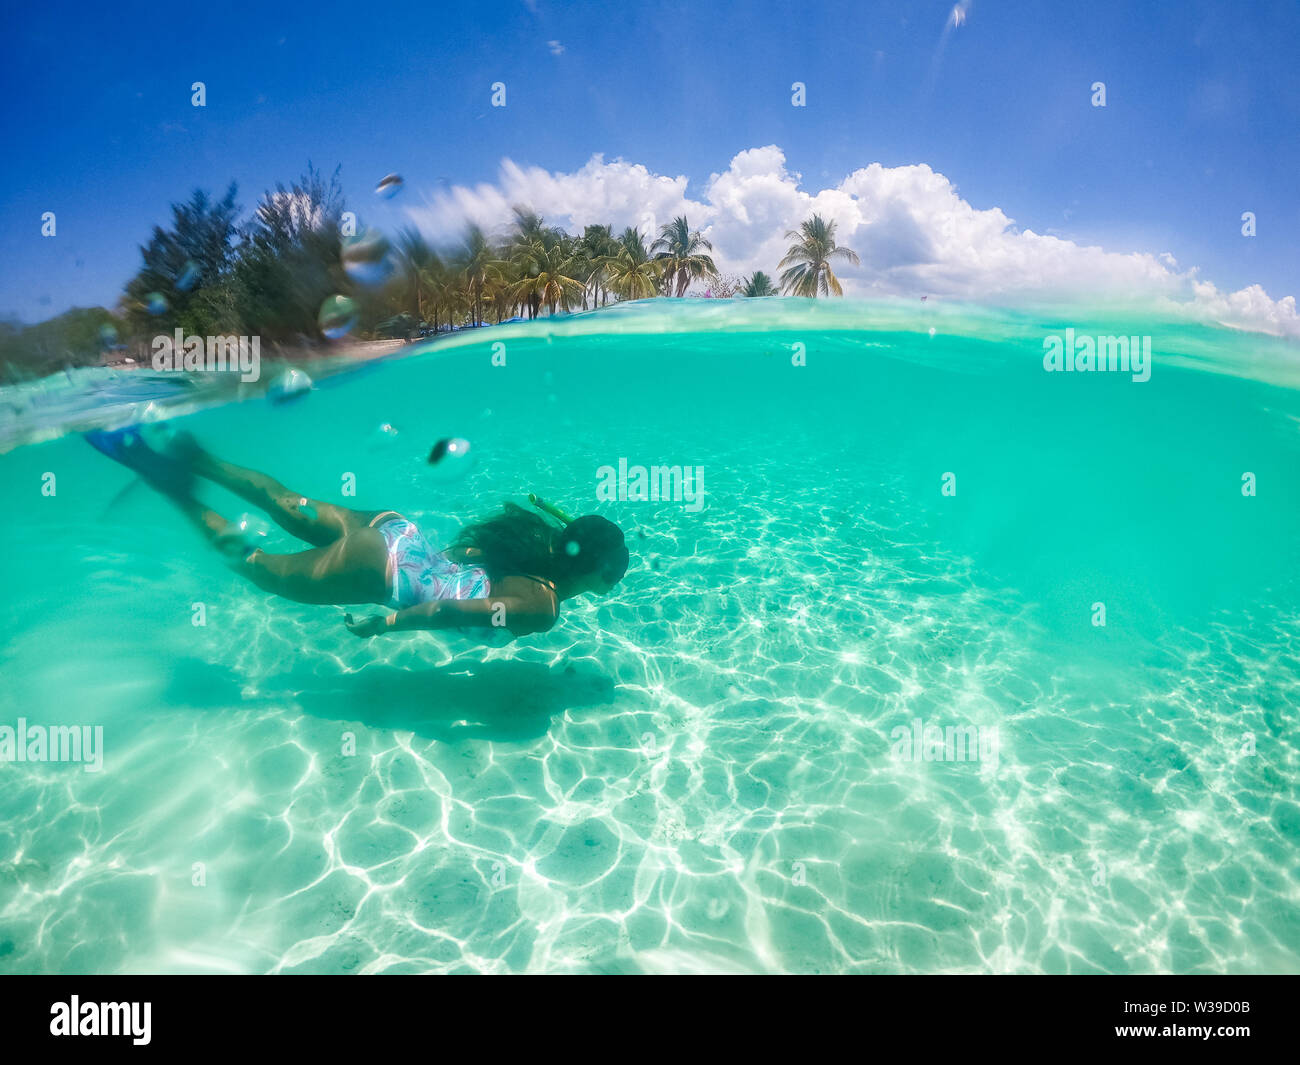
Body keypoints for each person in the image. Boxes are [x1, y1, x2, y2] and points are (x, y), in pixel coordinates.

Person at [86, 427, 629, 643]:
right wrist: (385, 624)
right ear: (598, 573)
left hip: (394, 533)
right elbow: (447, 613)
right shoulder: (542, 604)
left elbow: (461, 557)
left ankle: (197, 457)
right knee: (262, 568)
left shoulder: (532, 542)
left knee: (285, 502)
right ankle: (171, 487)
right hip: (382, 572)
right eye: (615, 572)